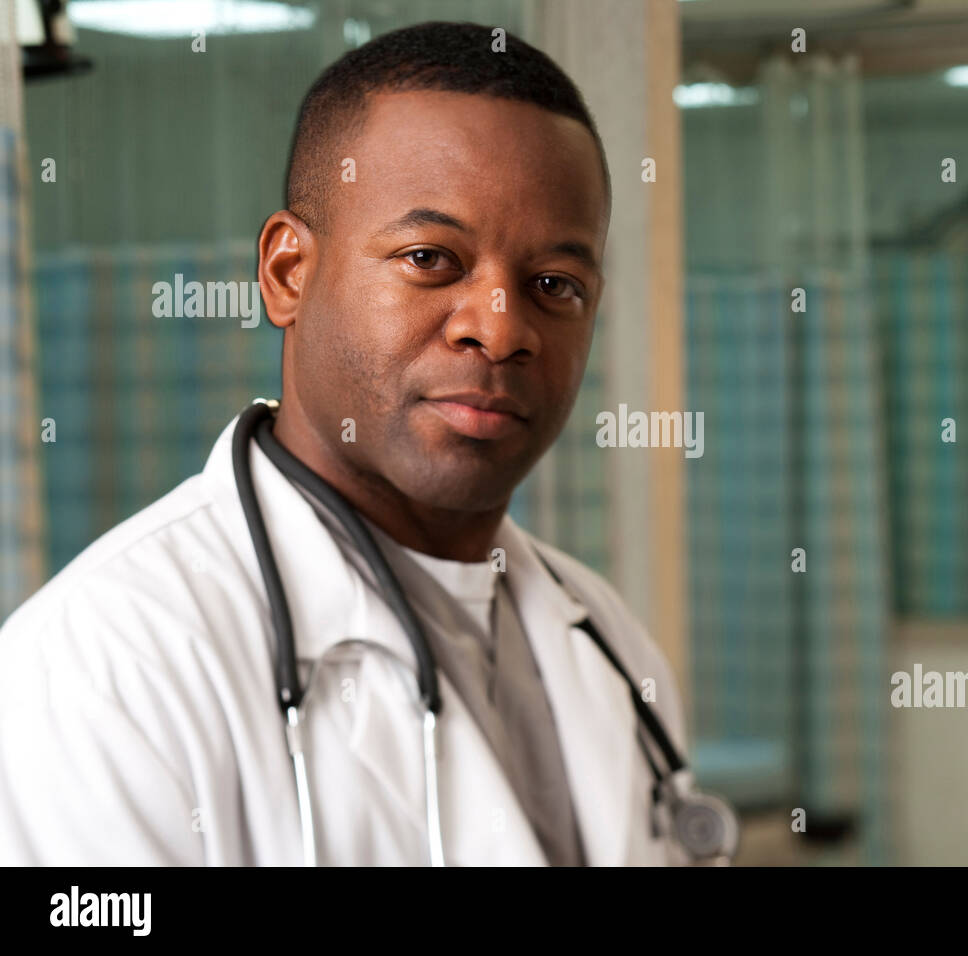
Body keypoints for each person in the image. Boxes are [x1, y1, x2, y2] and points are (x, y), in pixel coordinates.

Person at [0, 21, 691, 866]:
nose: (500, 328)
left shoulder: (609, 641)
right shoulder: (107, 671)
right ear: (289, 273)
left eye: (555, 284)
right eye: (431, 258)